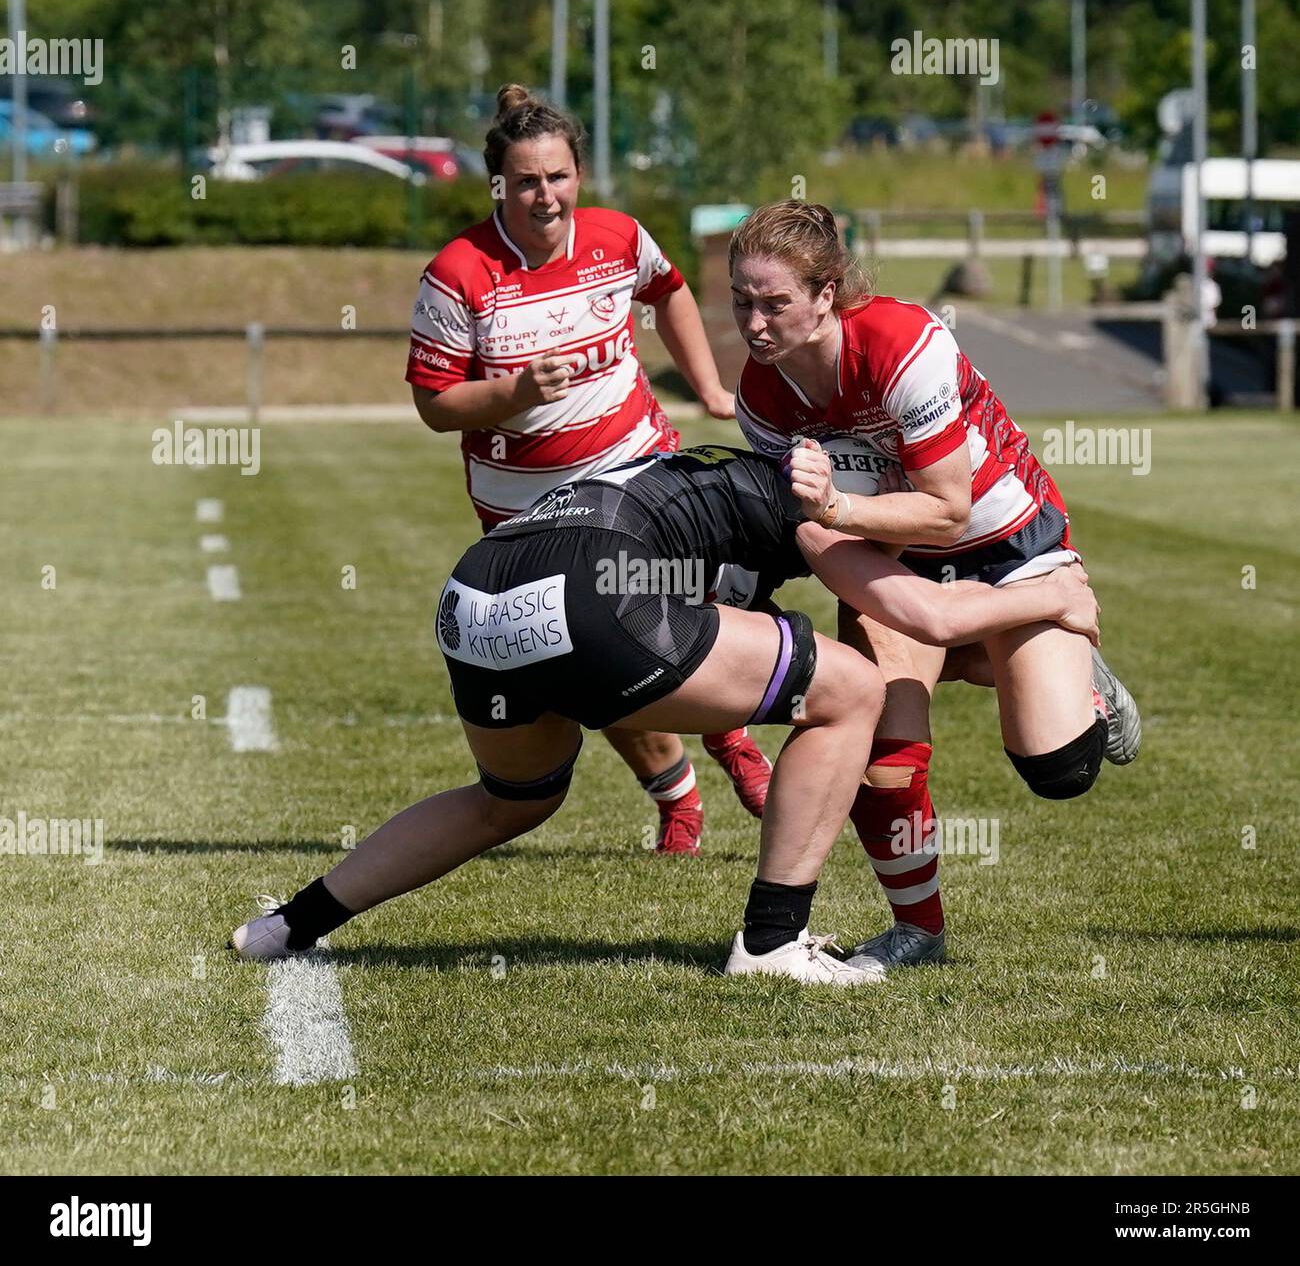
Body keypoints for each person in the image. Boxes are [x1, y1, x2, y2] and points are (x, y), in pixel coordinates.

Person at [231, 446, 1100, 986]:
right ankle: (772, 943)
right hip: (592, 593)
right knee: (849, 693)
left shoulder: (690, 469)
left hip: (477, 593)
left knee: (512, 799)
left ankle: (285, 927)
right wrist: (1055, 596)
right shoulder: (815, 508)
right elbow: (932, 621)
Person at [728, 200, 1141, 973]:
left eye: (775, 302)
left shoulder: (900, 339)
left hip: (1007, 548)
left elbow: (949, 510)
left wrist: (837, 507)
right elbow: (816, 529)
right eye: (742, 301)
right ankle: (919, 929)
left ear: (826, 295)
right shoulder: (762, 394)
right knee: (881, 761)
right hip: (897, 560)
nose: (755, 322)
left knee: (1059, 769)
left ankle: (1077, 674)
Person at [405, 83, 767, 856]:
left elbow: (668, 293)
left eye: (560, 176)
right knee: (593, 651)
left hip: (632, 463)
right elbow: (436, 404)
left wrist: (706, 386)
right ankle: (678, 798)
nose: (547, 195)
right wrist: (514, 392)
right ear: (498, 184)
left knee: (678, 600)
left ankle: (733, 736)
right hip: (523, 508)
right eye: (528, 181)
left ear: (580, 174)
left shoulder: (617, 237)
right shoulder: (459, 273)